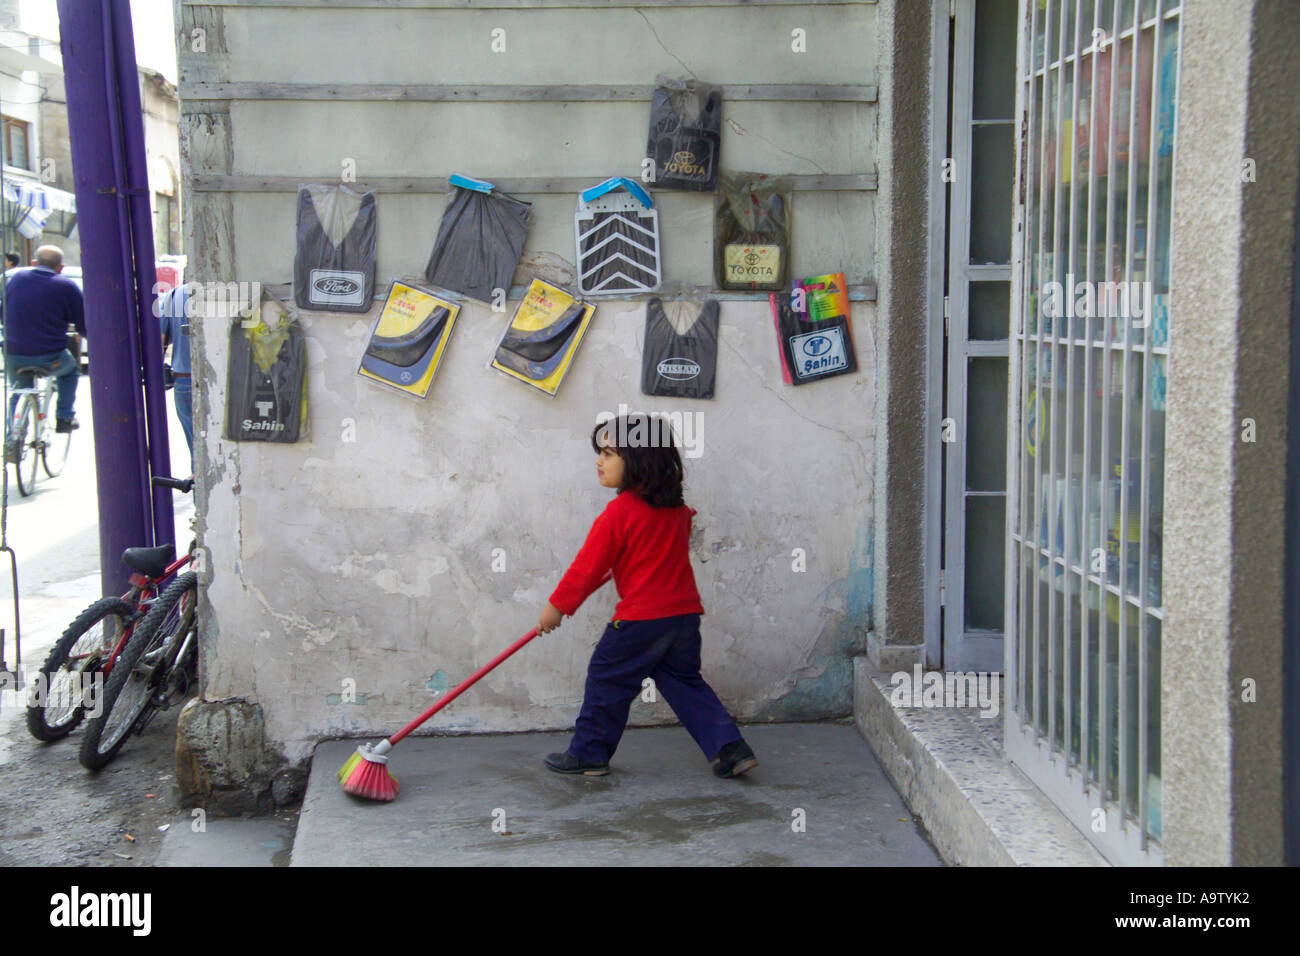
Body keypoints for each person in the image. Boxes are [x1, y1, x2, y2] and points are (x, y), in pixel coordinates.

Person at [538, 413, 758, 779]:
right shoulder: (676, 511)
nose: (599, 461)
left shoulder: (618, 514)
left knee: (607, 678)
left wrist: (557, 608)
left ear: (639, 459)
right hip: (683, 618)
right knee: (683, 681)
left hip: (641, 620)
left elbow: (588, 568)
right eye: (600, 452)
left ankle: (589, 754)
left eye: (609, 453)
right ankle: (731, 749)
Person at [3, 245, 85, 452]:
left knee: (18, 390)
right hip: (50, 357)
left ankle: (13, 437)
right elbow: (83, 324)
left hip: (14, 354)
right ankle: (65, 417)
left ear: (33, 263)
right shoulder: (66, 286)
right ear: (61, 267)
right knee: (70, 371)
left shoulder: (16, 279)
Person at [158, 282, 193, 473]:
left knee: (197, 448)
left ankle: (201, 500)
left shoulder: (174, 296)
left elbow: (161, 340)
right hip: (226, 382)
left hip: (184, 379)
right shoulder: (227, 290)